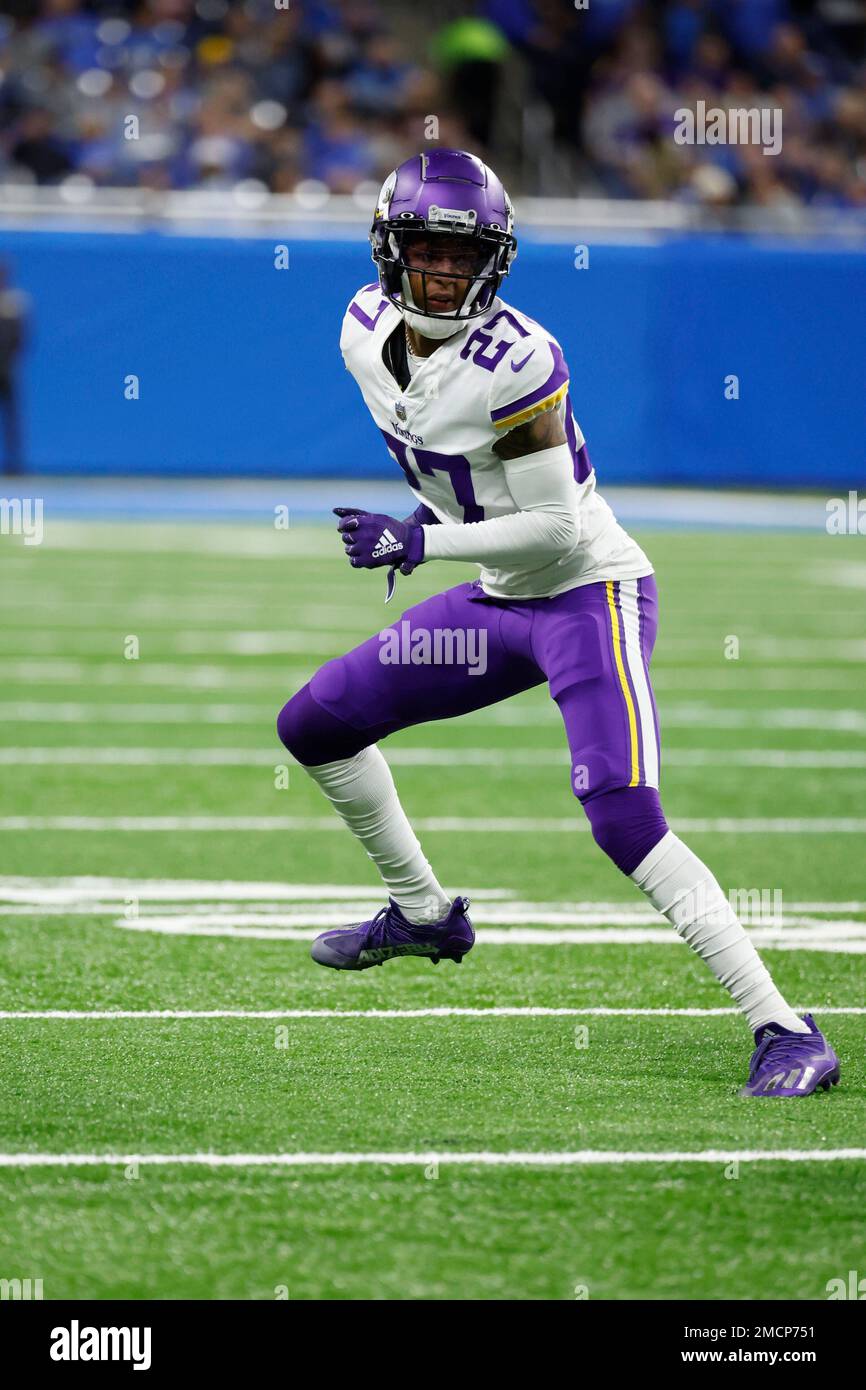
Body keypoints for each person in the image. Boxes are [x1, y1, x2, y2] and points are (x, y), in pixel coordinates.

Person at [277, 148, 839, 1099]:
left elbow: (556, 529)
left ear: (496, 261)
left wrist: (422, 544)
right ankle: (422, 914)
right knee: (316, 724)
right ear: (388, 247)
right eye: (429, 248)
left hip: (586, 595)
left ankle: (785, 1028)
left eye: (467, 254)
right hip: (502, 599)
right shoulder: (362, 328)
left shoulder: (520, 358)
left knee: (622, 817)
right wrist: (444, 537)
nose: (447, 270)